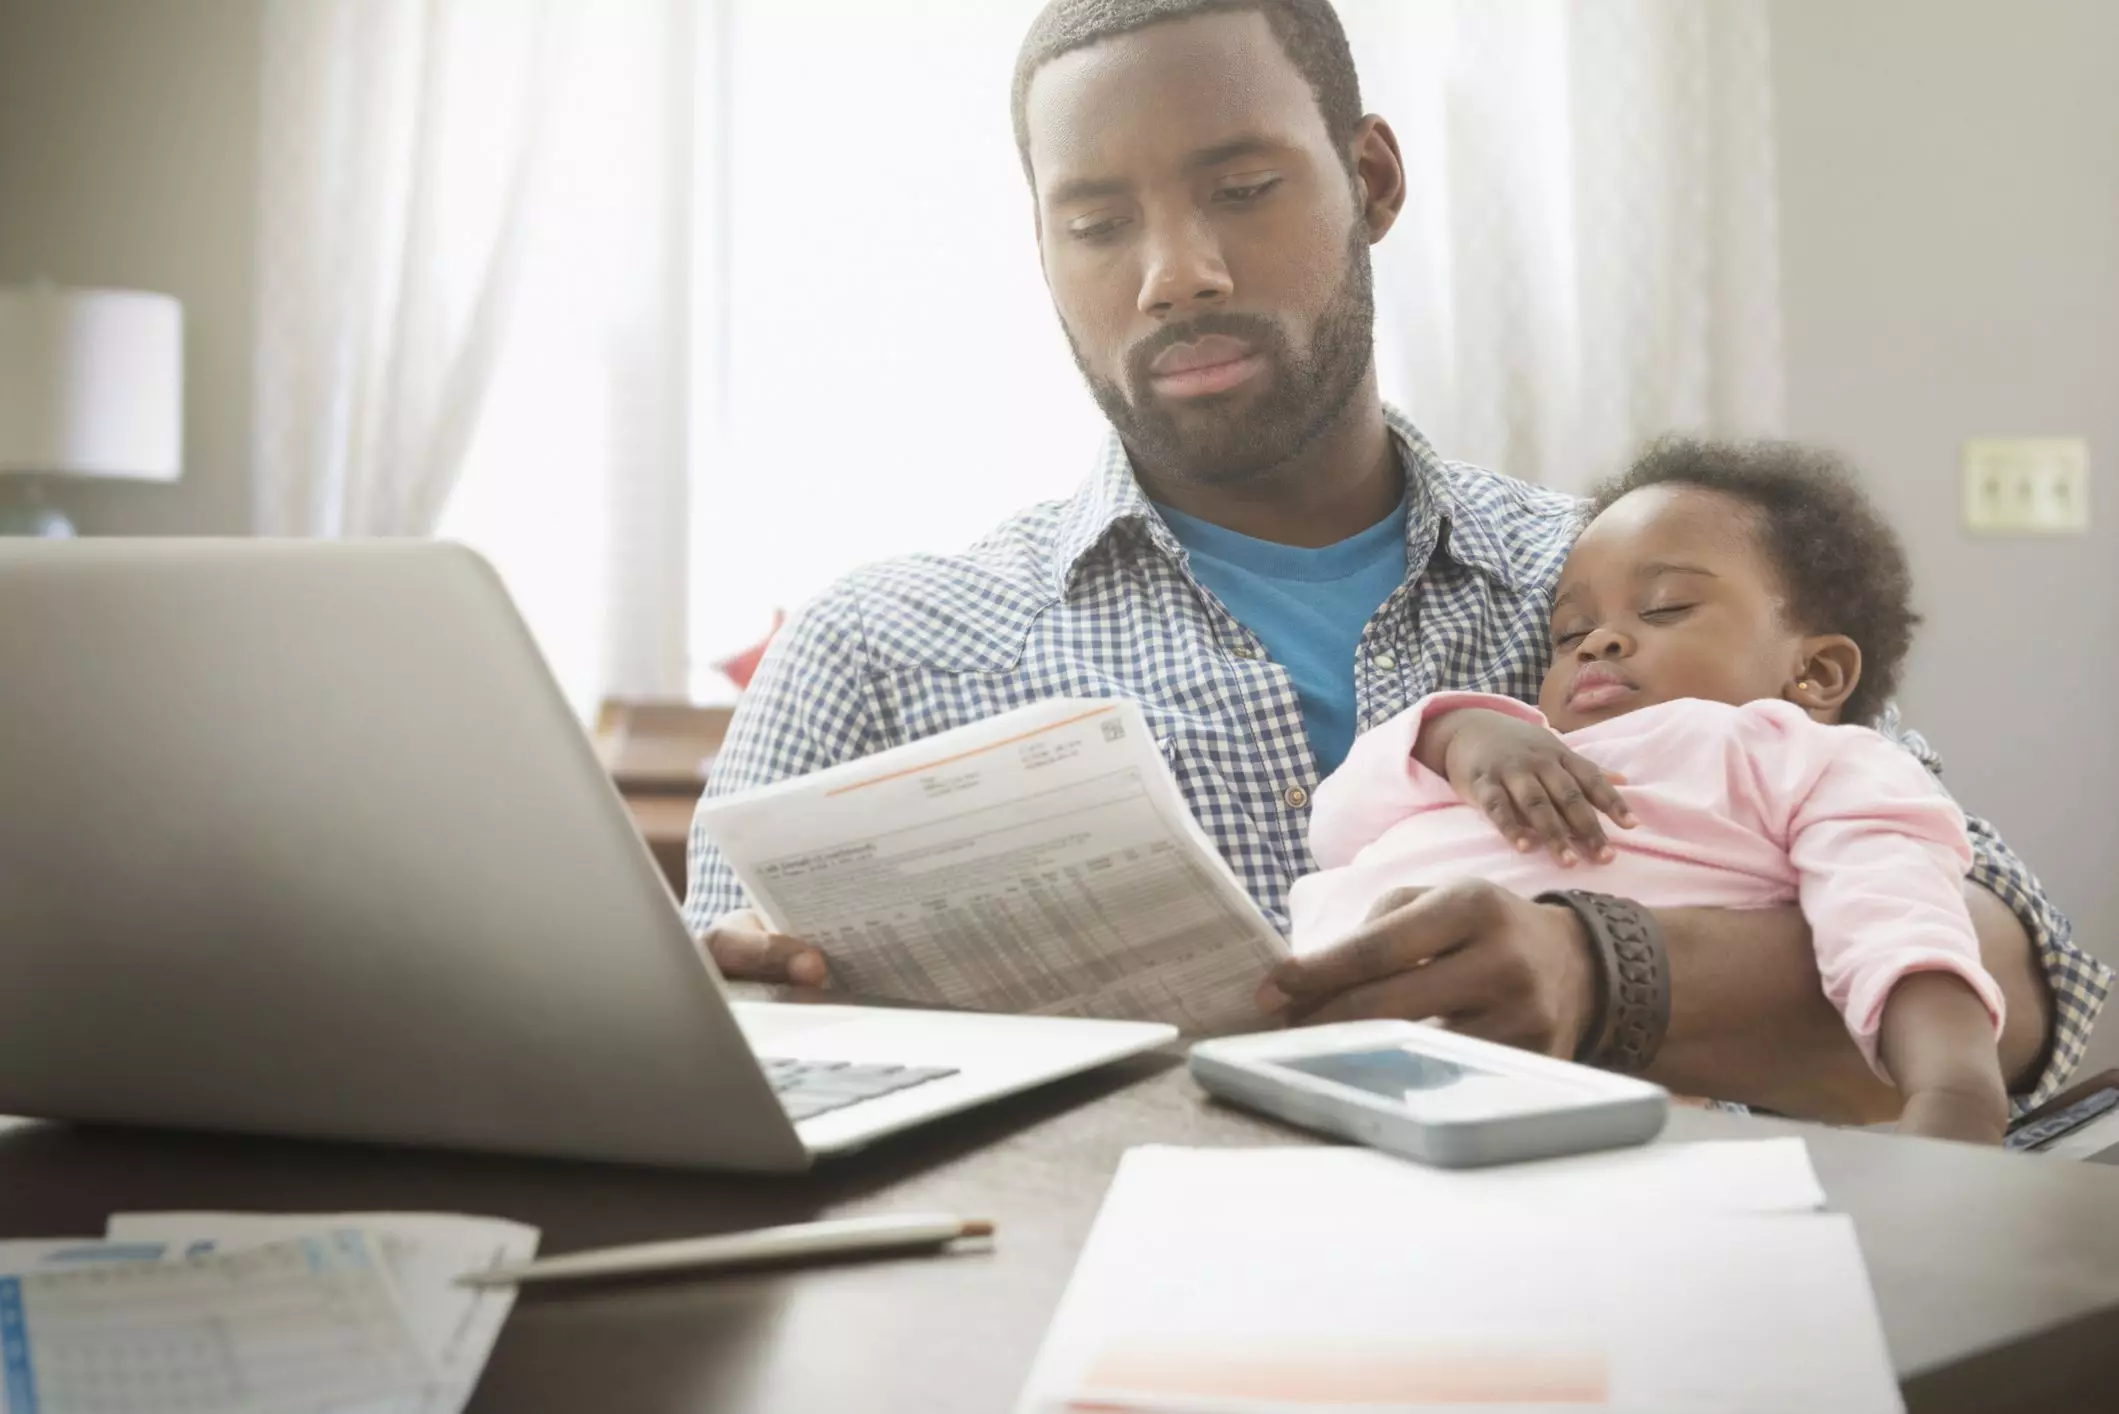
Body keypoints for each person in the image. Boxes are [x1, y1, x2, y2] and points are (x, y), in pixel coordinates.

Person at [686, 0, 2107, 1120]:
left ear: (1368, 179)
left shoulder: (1636, 590)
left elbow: (2034, 984)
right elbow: (701, 1063)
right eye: (1095, 221)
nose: (1174, 271)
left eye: (1241, 187)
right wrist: (711, 1022)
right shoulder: (874, 648)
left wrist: (1603, 969)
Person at [1288, 439, 2010, 1143]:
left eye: (1662, 608)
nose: (1598, 642)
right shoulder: (1522, 745)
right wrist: (1457, 734)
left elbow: (1897, 920)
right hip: (1296, 1060)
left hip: (1545, 1104)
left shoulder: (1810, 760)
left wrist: (1955, 1092)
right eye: (1569, 633)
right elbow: (1336, 830)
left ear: (1815, 673)